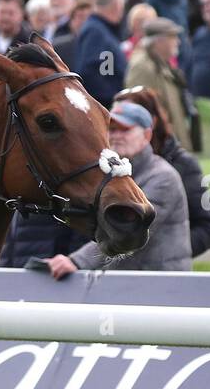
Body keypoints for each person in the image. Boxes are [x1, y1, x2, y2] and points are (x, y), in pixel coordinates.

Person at [46, 101, 190, 277]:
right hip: (124, 283)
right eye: (112, 130)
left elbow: (128, 228)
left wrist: (76, 261)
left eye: (125, 130)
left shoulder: (163, 177)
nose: (116, 136)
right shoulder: (109, 176)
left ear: (147, 135)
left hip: (159, 283)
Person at [114, 85, 210, 258]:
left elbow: (208, 227)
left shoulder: (179, 166)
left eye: (126, 125)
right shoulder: (103, 166)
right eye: (113, 124)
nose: (116, 133)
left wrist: (169, 251)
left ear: (151, 122)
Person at [124, 17, 189, 141]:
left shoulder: (161, 63)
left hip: (168, 144)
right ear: (159, 41)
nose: (178, 42)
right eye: (173, 37)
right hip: (157, 144)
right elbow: (139, 110)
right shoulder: (142, 67)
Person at [74, 0, 126, 108]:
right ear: (116, 6)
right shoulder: (96, 31)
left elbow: (105, 67)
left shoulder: (101, 30)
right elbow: (92, 70)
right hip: (104, 106)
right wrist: (112, 97)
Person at [51, 0, 92, 68]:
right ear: (71, 22)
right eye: (80, 16)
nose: (85, 21)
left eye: (89, 17)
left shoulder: (103, 47)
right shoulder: (58, 48)